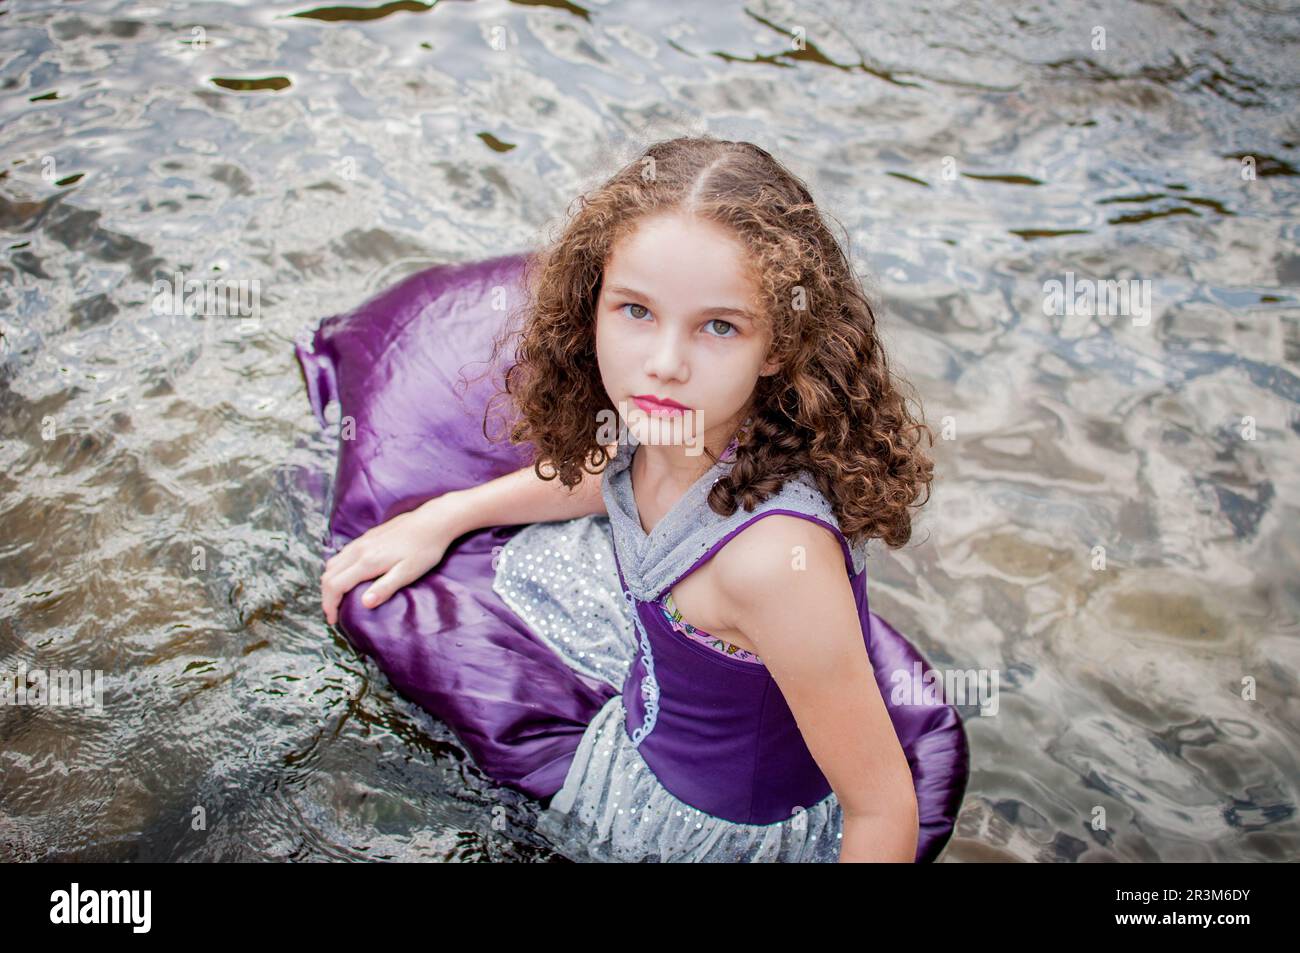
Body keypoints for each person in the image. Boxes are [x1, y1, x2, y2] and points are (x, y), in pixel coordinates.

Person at [317, 136, 937, 862]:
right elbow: (599, 475)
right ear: (594, 304)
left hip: (709, 828)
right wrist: (444, 515)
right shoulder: (669, 427)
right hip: (655, 715)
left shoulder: (774, 564)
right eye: (635, 310)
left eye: (719, 326)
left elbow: (881, 807)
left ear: (778, 347)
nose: (664, 363)